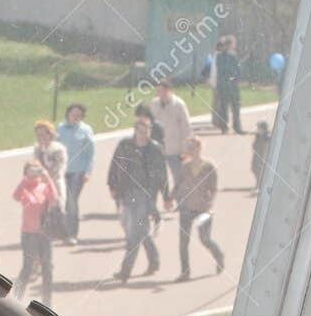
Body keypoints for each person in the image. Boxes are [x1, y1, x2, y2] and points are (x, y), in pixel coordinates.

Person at [107, 115, 168, 281]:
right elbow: (115, 165)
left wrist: (166, 196)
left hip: (145, 195)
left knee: (133, 233)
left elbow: (162, 174)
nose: (143, 134)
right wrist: (111, 185)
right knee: (137, 230)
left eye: (146, 130)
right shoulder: (124, 145)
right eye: (140, 130)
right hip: (125, 193)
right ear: (135, 130)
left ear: (150, 131)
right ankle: (154, 261)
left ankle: (125, 271)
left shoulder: (155, 149)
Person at [170, 137, 223, 280]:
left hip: (203, 209)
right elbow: (177, 185)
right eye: (188, 148)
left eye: (192, 147)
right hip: (186, 208)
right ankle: (185, 272)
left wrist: (209, 203)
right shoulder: (185, 167)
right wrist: (170, 198)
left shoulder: (209, 167)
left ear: (199, 148)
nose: (190, 151)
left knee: (205, 239)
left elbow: (213, 188)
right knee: (183, 242)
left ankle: (219, 256)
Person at [11, 161, 59, 306]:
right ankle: (16, 298)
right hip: (28, 233)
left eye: (36, 170)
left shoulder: (44, 187)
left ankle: (47, 302)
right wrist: (25, 179)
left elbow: (54, 199)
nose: (34, 173)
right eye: (31, 170)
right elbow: (16, 196)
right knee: (28, 267)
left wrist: (47, 177)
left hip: (44, 233)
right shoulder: (24, 187)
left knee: (47, 267)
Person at [55, 103, 95, 244]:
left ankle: (72, 234)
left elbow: (90, 154)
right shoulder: (60, 129)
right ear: (68, 114)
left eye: (79, 115)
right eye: (73, 114)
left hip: (78, 172)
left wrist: (88, 172)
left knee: (71, 202)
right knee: (61, 201)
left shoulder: (86, 130)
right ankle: (62, 232)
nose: (76, 117)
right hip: (61, 171)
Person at [148, 80, 193, 179]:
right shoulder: (153, 104)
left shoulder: (179, 105)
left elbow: (186, 128)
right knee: (157, 179)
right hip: (158, 149)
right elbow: (149, 125)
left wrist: (186, 149)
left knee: (179, 178)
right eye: (158, 91)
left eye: (162, 91)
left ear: (169, 90)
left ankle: (180, 194)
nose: (160, 94)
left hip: (175, 150)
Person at [31, 120, 68, 210]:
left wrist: (46, 176)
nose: (40, 137)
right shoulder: (37, 148)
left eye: (43, 134)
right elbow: (35, 165)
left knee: (57, 210)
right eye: (38, 135)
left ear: (50, 134)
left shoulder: (58, 149)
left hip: (55, 184)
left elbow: (59, 168)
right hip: (40, 185)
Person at [213, 35, 244, 134]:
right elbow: (237, 70)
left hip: (222, 85)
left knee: (223, 107)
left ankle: (224, 127)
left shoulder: (218, 56)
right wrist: (238, 78)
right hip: (232, 85)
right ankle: (237, 127)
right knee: (235, 107)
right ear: (230, 44)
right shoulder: (233, 56)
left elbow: (220, 70)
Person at [251, 120, 271, 193]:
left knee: (260, 171)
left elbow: (267, 149)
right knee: (254, 169)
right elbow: (254, 146)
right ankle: (259, 184)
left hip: (263, 157)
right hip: (257, 156)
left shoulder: (267, 137)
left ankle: (259, 186)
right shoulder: (258, 136)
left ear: (263, 128)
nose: (257, 129)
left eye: (259, 127)